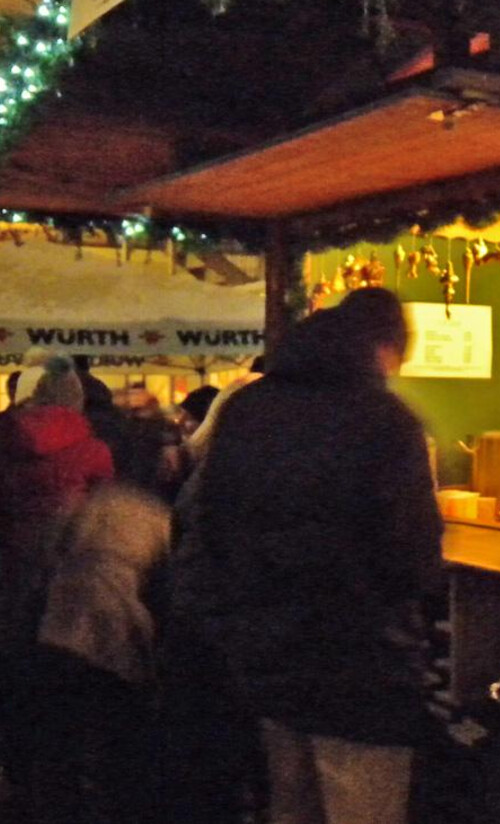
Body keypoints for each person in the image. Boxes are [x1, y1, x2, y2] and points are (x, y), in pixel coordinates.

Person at [173, 289, 444, 824]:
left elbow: (211, 527)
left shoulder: (248, 410)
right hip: (362, 669)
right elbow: (413, 558)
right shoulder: (386, 421)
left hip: (268, 660)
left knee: (291, 805)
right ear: (385, 349)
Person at [0, 355, 115, 816]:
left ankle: (18, 776)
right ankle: (59, 785)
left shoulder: (5, 439)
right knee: (61, 684)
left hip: (9, 575)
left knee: (12, 679)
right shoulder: (94, 450)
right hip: (69, 581)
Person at [30, 480, 171, 824]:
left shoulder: (87, 505)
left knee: (59, 740)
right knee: (116, 738)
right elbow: (166, 587)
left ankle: (57, 809)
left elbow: (46, 555)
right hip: (115, 633)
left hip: (59, 624)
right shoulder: (160, 519)